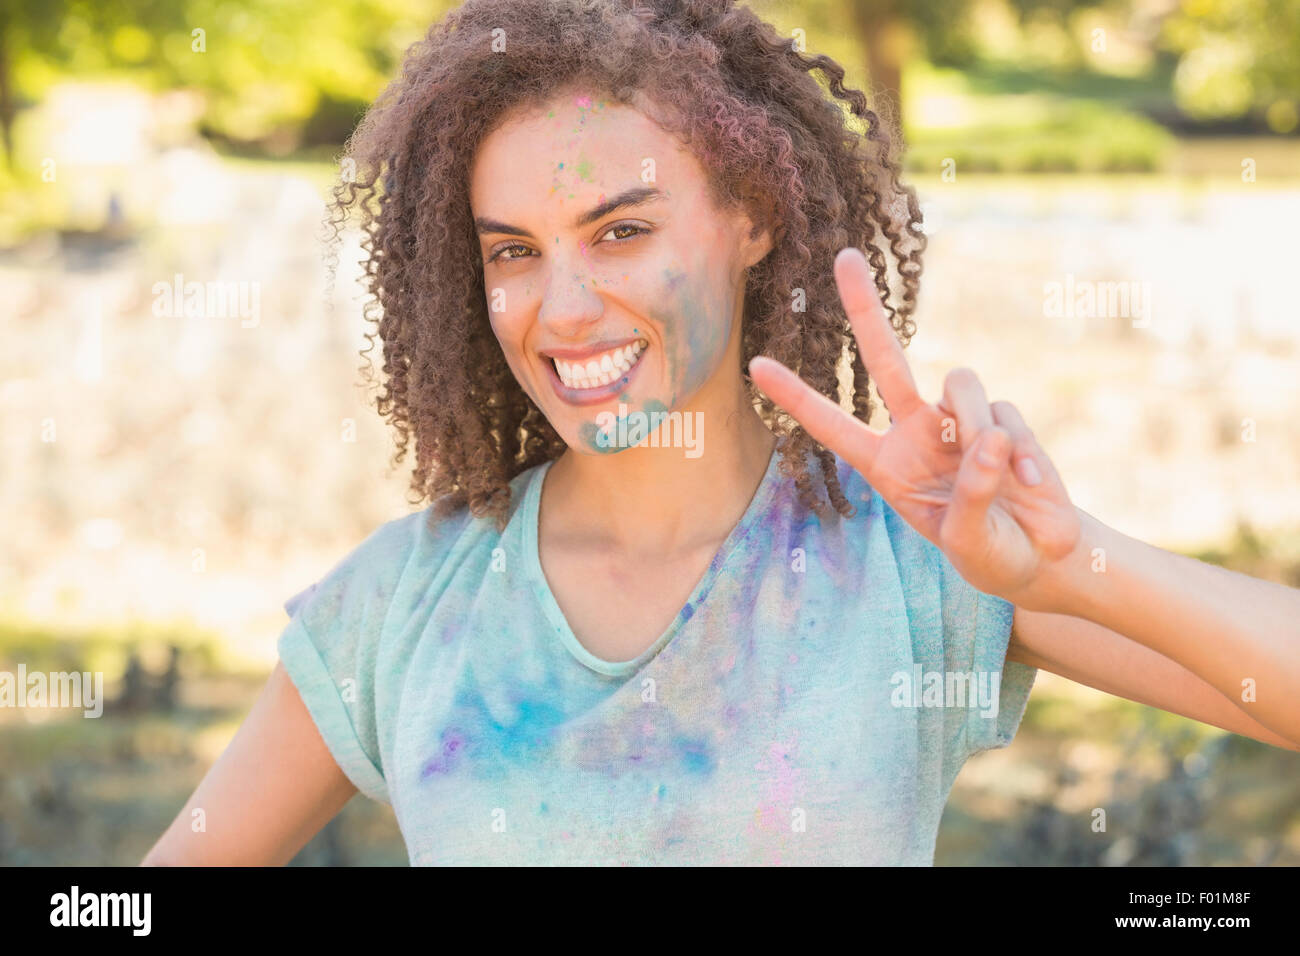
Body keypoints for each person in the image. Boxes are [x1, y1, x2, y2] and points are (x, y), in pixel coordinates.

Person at [143, 0, 1300, 866]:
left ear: (749, 215)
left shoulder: (916, 562)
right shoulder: (406, 601)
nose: (563, 306)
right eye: (513, 250)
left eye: (621, 229)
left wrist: (1077, 564)